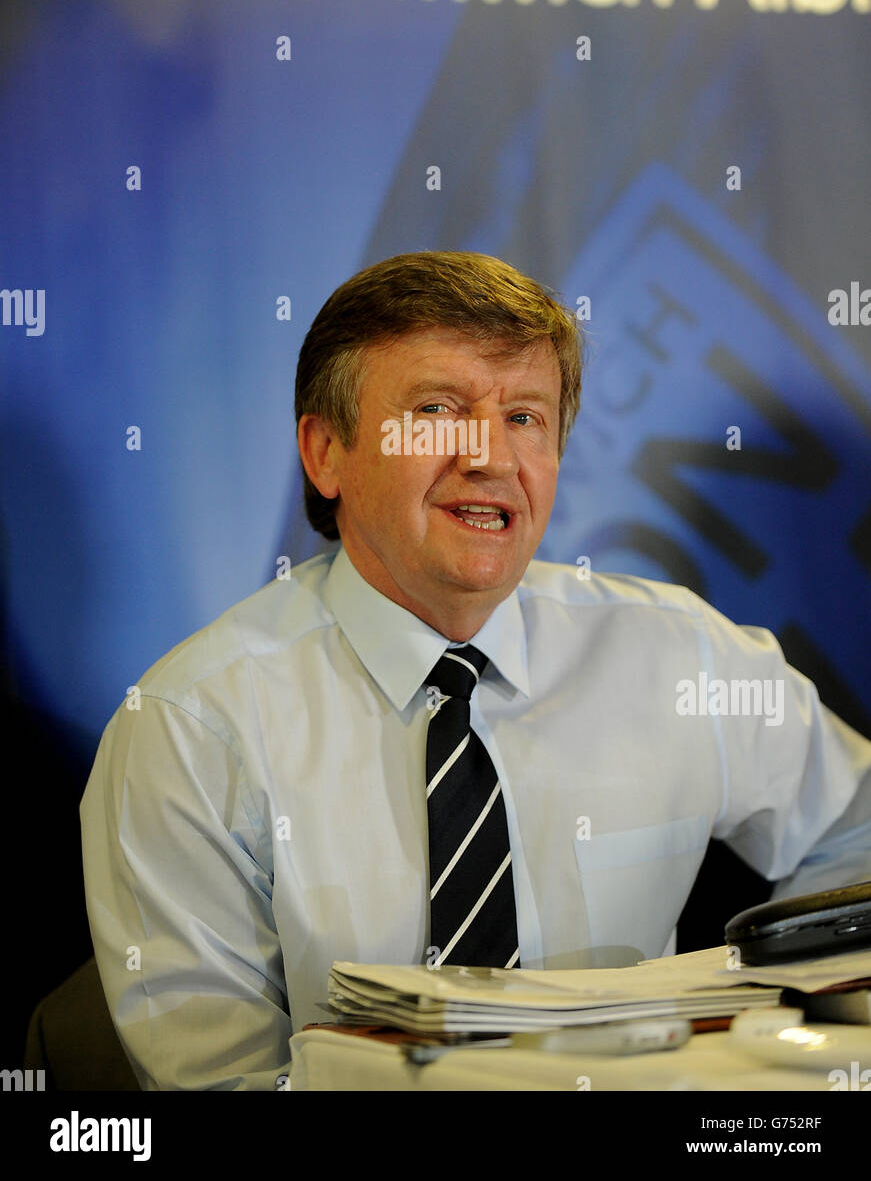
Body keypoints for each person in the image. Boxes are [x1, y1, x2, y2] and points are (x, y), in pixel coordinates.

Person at [80, 250, 871, 1090]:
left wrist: (785, 1010)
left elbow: (852, 832)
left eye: (525, 417)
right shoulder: (189, 727)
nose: (490, 457)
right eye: (437, 412)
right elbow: (223, 1088)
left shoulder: (678, 655)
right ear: (326, 452)